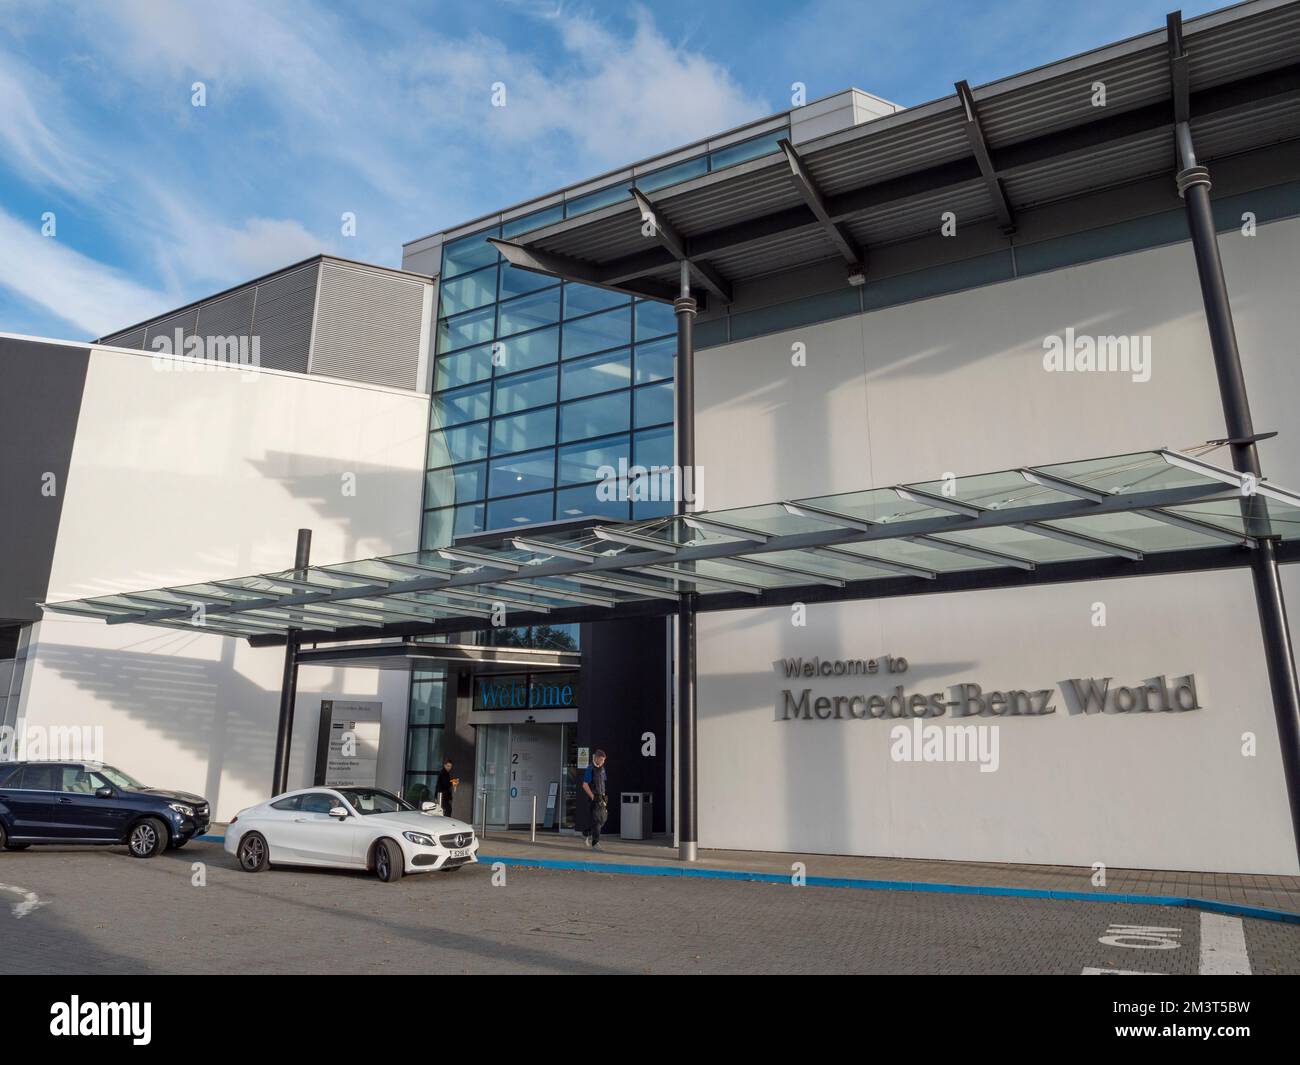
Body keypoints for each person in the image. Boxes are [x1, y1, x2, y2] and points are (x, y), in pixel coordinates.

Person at [581, 749, 608, 850]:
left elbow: (603, 782)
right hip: (594, 798)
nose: (602, 762)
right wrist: (592, 796)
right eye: (601, 760)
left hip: (602, 797)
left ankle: (585, 833)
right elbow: (584, 784)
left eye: (604, 760)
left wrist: (604, 795)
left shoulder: (602, 769)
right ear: (596, 758)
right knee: (597, 820)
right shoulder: (590, 768)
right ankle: (595, 843)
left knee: (603, 819)